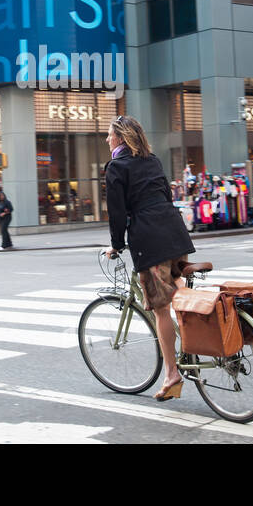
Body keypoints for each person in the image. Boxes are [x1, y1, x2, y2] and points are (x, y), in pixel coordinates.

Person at [104, 115, 195, 402]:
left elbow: (117, 213)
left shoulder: (116, 167)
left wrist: (116, 245)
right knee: (179, 293)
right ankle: (195, 343)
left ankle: (172, 374)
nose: (107, 140)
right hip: (174, 232)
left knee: (161, 308)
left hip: (150, 240)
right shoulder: (152, 160)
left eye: (109, 136)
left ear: (120, 138)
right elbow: (165, 195)